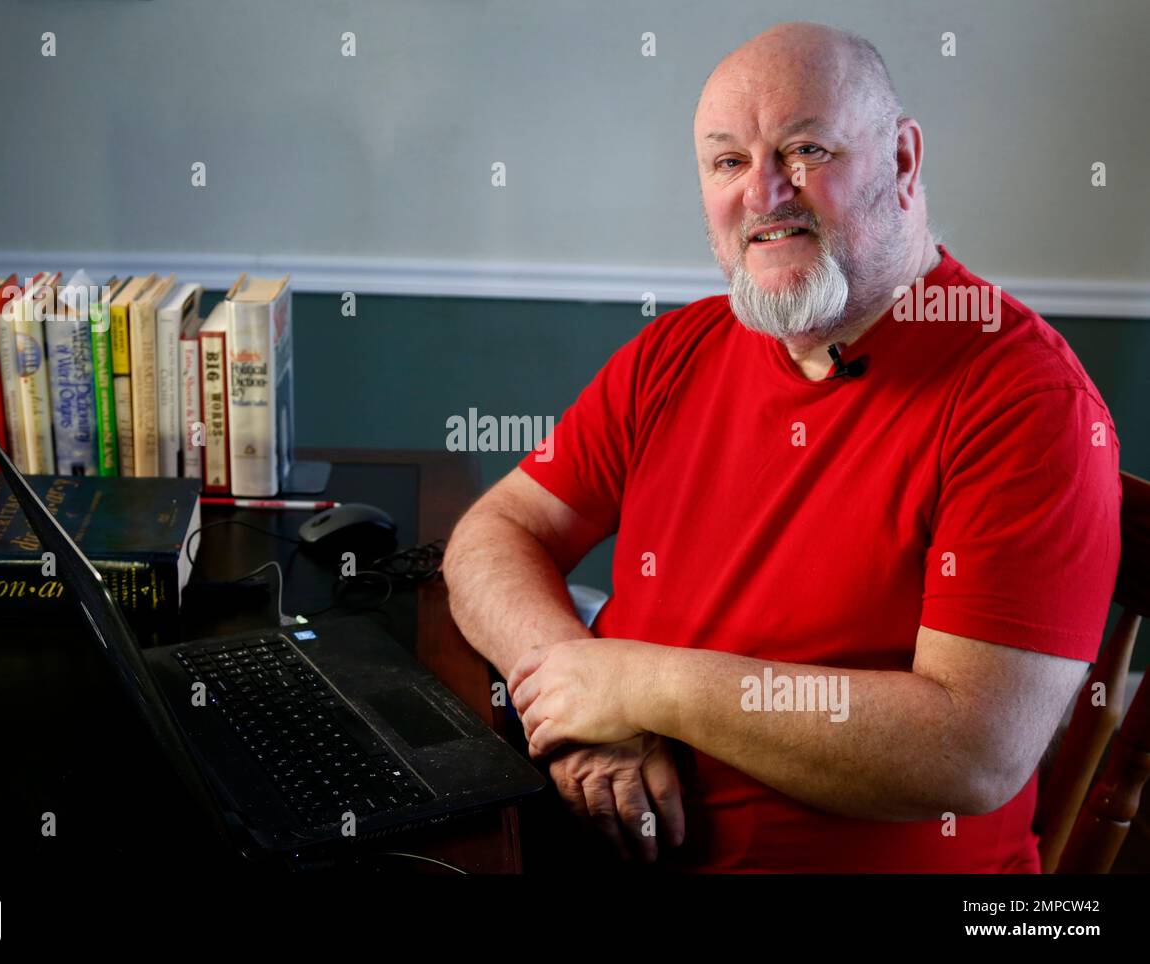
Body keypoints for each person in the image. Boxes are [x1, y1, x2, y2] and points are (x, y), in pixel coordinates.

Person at [441, 21, 1122, 872]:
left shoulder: (1027, 403)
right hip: (599, 832)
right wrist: (583, 702)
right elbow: (497, 531)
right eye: (728, 162)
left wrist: (640, 685)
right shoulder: (674, 352)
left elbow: (971, 749)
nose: (764, 193)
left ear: (904, 162)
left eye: (805, 150)